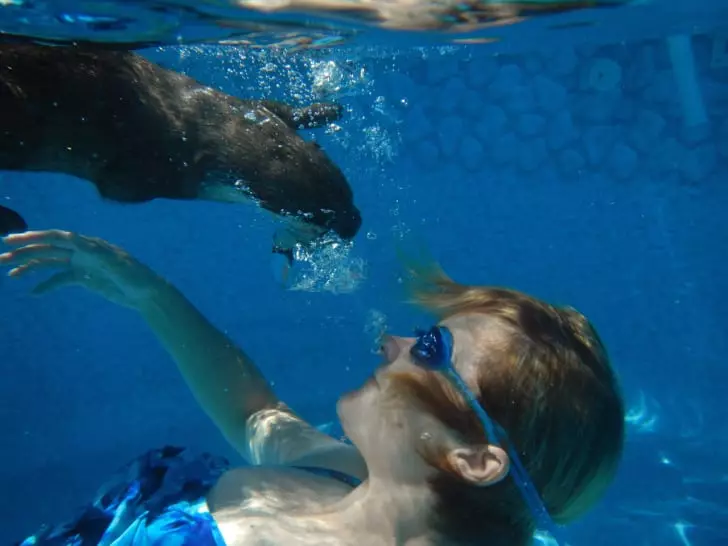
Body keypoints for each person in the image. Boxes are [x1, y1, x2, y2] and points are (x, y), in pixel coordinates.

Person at [1, 229, 625, 546]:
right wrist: (150, 296)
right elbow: (256, 416)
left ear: (476, 458)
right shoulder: (346, 478)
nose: (393, 345)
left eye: (432, 348)